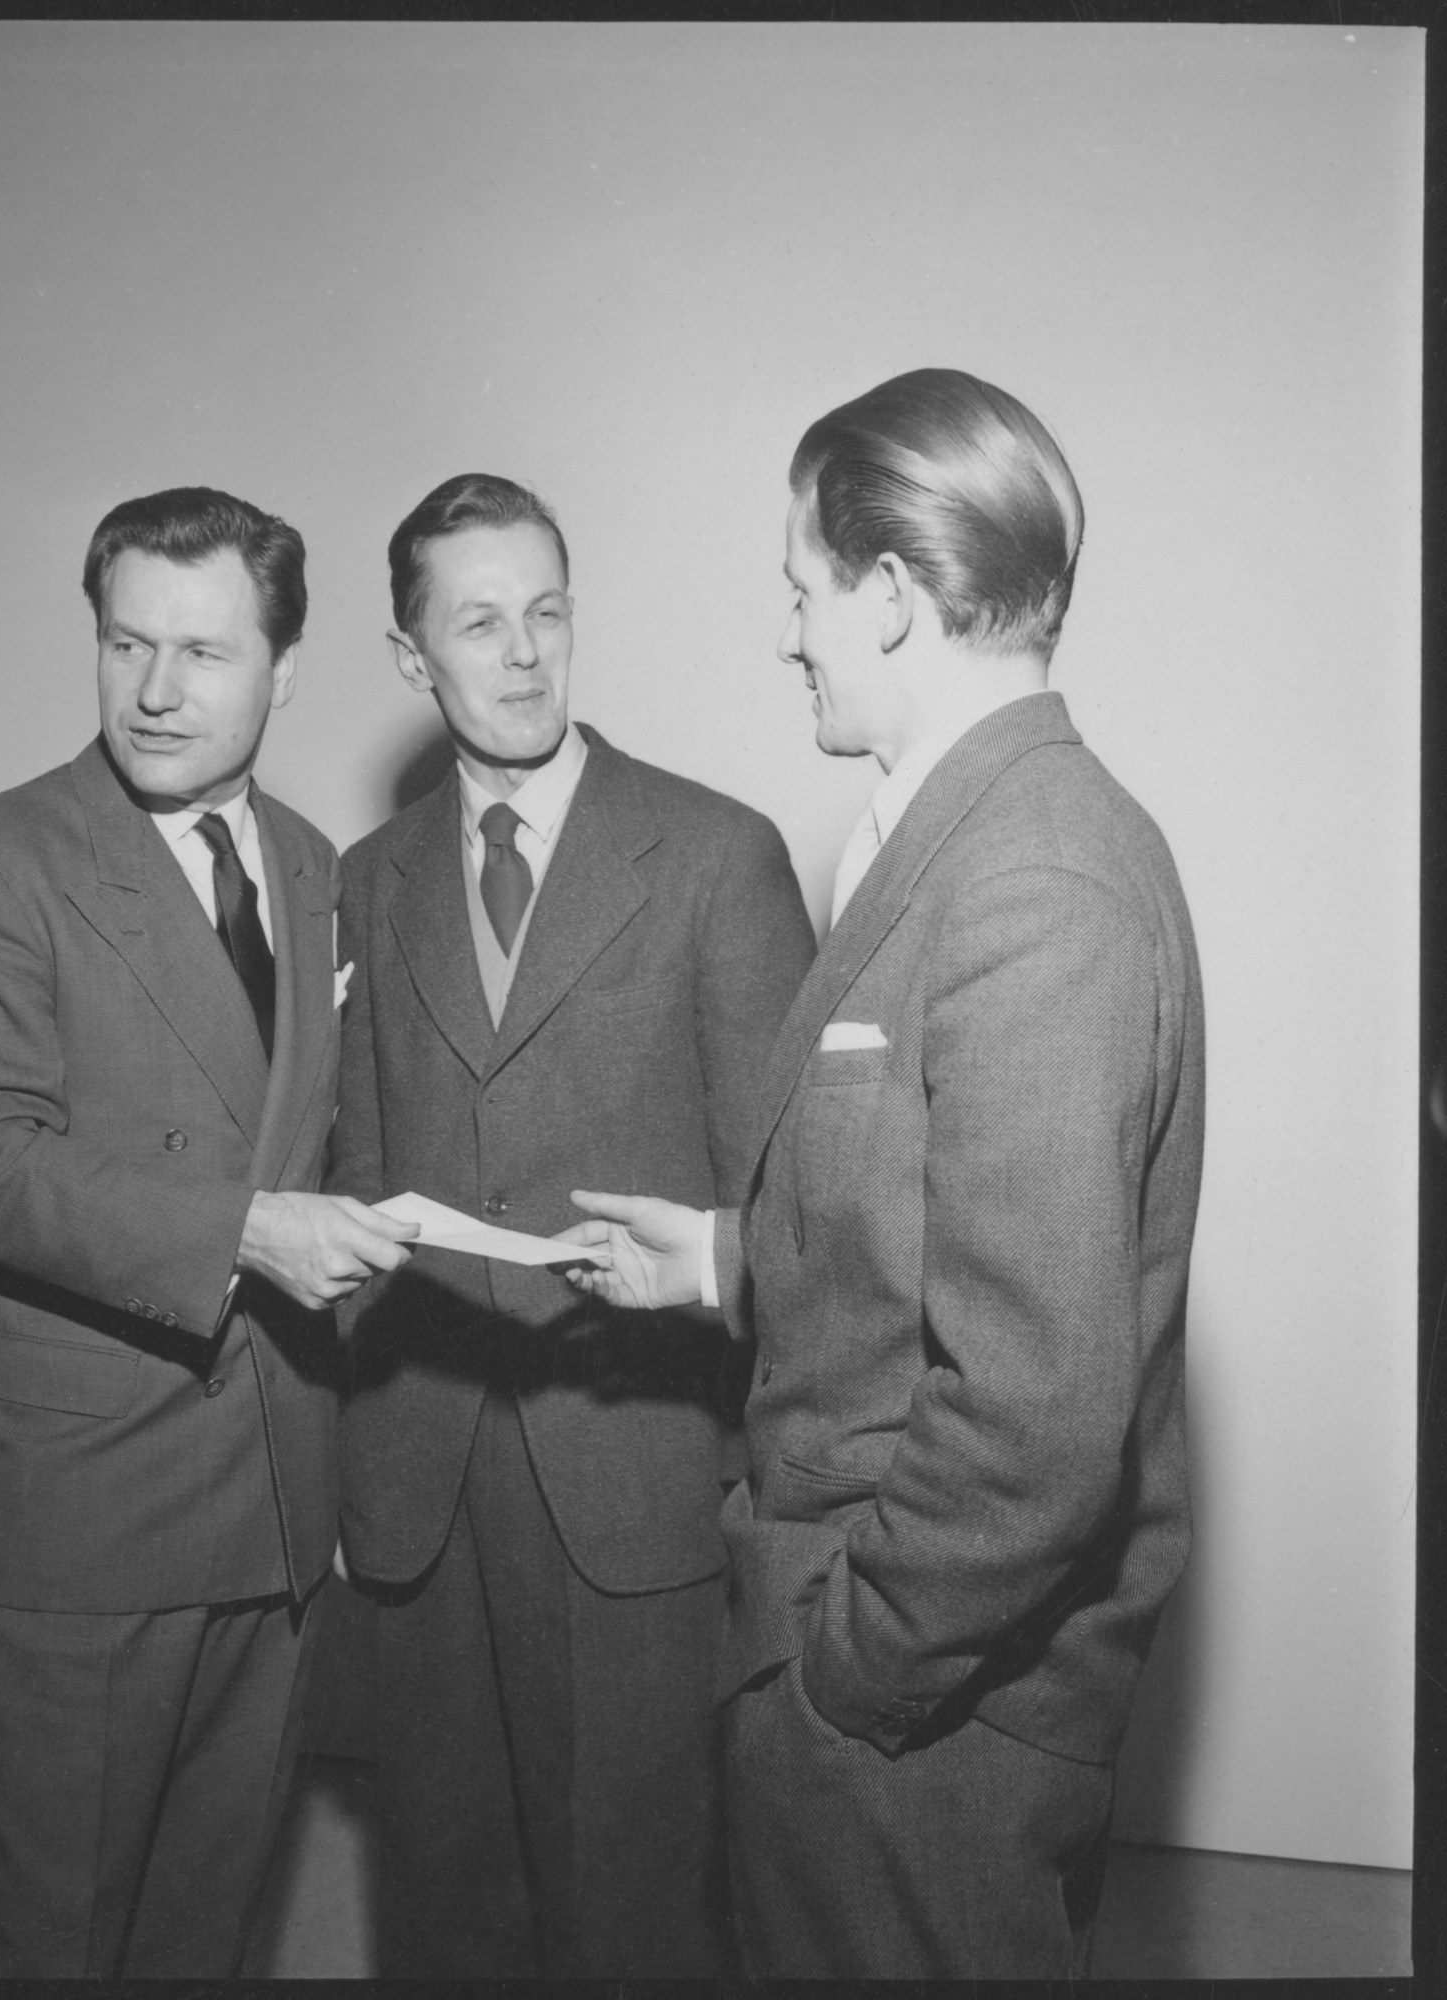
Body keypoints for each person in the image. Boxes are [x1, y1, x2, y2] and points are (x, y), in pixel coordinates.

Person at [567, 370, 1205, 1980]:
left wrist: (844, 1677)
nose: (786, 634)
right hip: (906, 1696)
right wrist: (720, 1259)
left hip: (927, 1727)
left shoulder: (1033, 877)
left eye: (801, 590)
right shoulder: (967, 834)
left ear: (893, 592)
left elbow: (1036, 1415)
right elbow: (927, 1223)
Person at [0, 486, 416, 1978]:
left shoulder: (315, 867)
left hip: (273, 1490)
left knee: (208, 1929)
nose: (157, 691)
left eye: (204, 651)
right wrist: (247, 1230)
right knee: (46, 1938)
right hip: (86, 1502)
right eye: (127, 645)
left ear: (284, 670)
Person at [328, 473, 815, 1978]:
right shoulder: (366, 881)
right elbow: (361, 1174)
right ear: (410, 655)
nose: (526, 653)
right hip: (421, 1484)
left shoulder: (714, 854)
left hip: (633, 1473)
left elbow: (793, 1206)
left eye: (545, 611)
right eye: (480, 623)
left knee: (633, 1911)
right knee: (441, 1906)